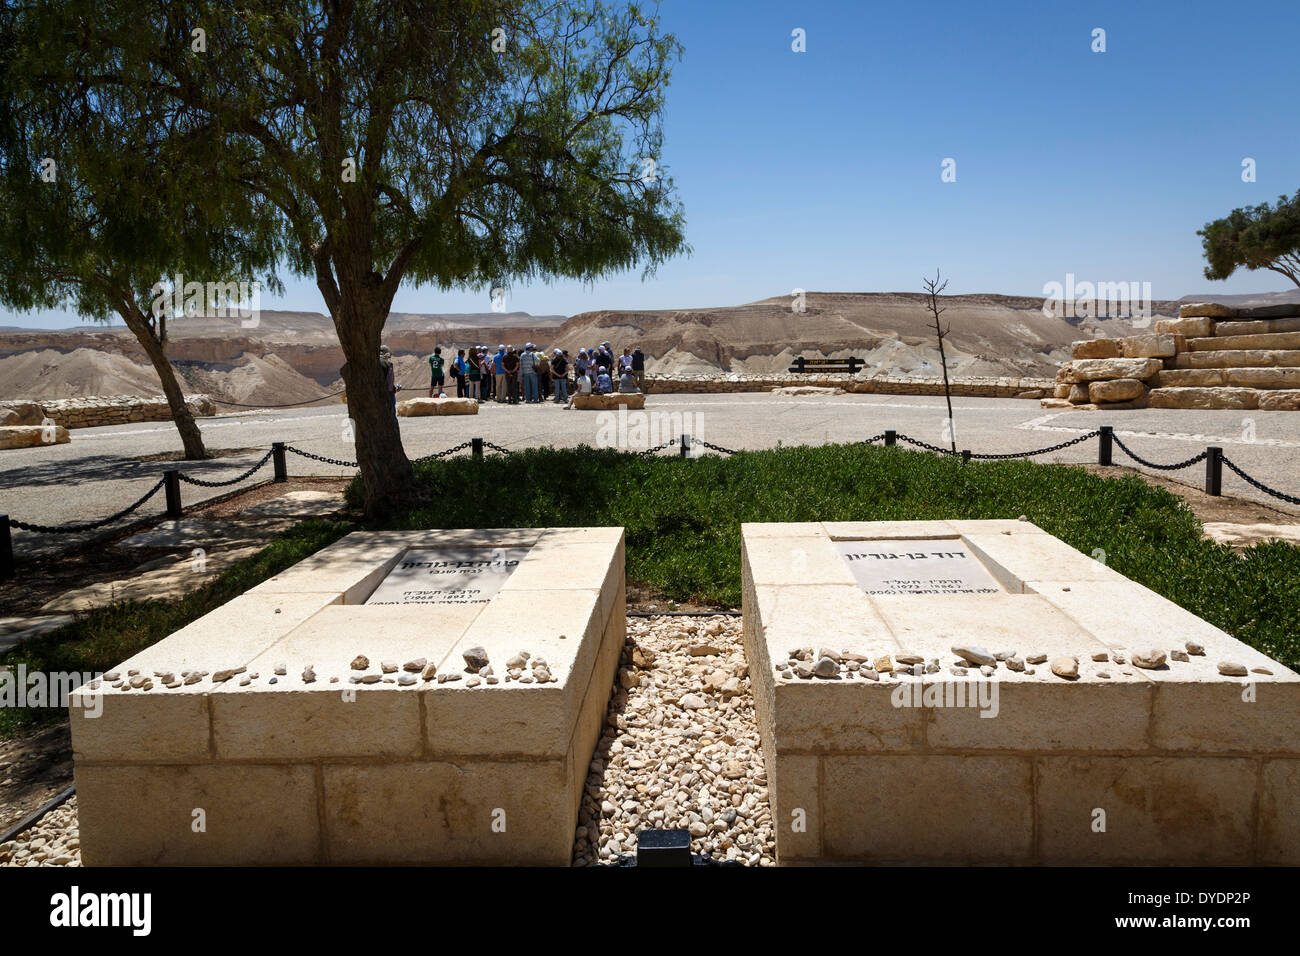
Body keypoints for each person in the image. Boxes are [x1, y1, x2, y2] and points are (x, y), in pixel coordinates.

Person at [380, 345, 398, 416]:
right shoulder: (388, 364)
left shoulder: (370, 362)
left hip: (372, 394)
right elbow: (390, 385)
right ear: (386, 355)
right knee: (391, 415)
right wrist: (395, 389)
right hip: (386, 395)